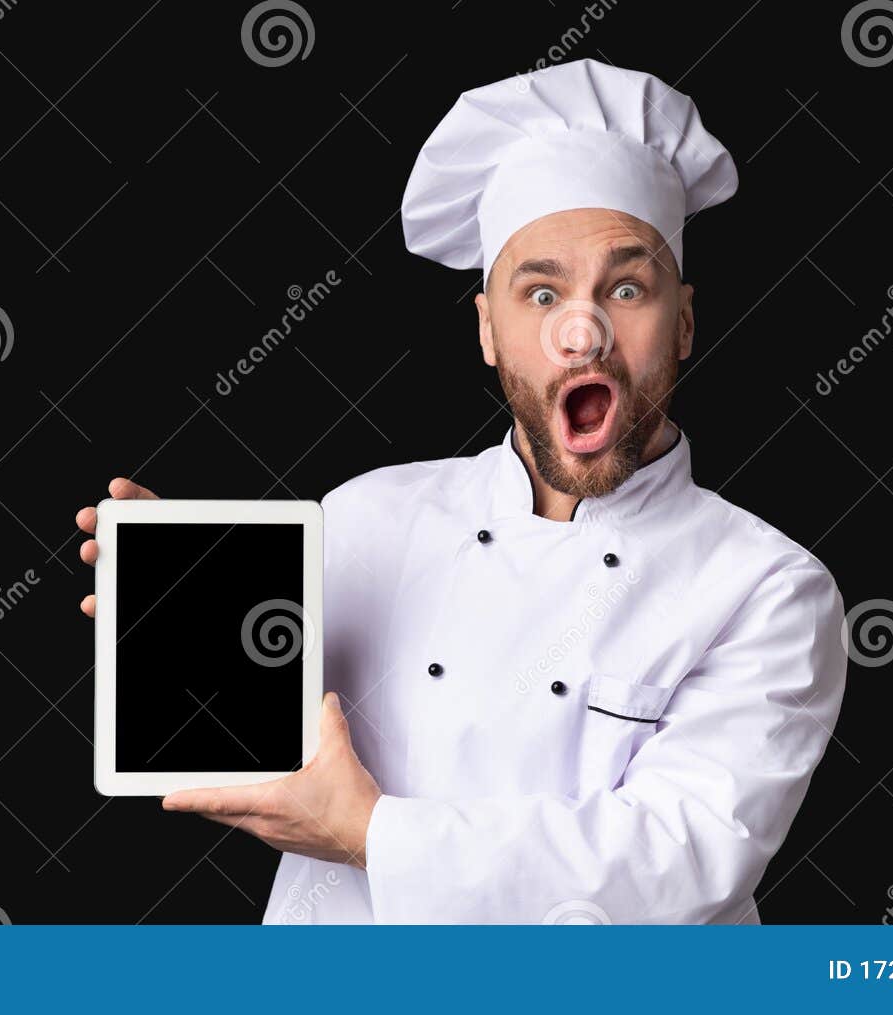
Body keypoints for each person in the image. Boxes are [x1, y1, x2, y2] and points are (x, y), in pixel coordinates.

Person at [73, 59, 847, 924]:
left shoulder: (769, 588)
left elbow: (675, 861)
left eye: (626, 288)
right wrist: (183, 621)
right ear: (488, 328)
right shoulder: (365, 517)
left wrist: (373, 834)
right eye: (541, 291)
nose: (581, 334)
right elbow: (248, 740)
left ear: (686, 320)